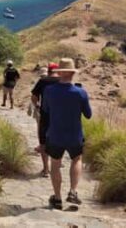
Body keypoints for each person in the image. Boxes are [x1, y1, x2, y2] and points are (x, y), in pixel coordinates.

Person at [42, 58, 91, 210]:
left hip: (55, 134)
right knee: (76, 159)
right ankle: (73, 192)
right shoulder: (80, 92)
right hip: (74, 135)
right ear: (72, 73)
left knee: (55, 165)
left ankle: (57, 198)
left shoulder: (49, 91)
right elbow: (88, 114)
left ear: (59, 73)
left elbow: (45, 110)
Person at [30, 62, 59, 177]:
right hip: (59, 117)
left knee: (43, 142)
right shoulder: (63, 81)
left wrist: (37, 106)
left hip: (45, 115)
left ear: (49, 71)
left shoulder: (43, 81)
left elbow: (34, 97)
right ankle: (55, 167)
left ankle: (46, 169)